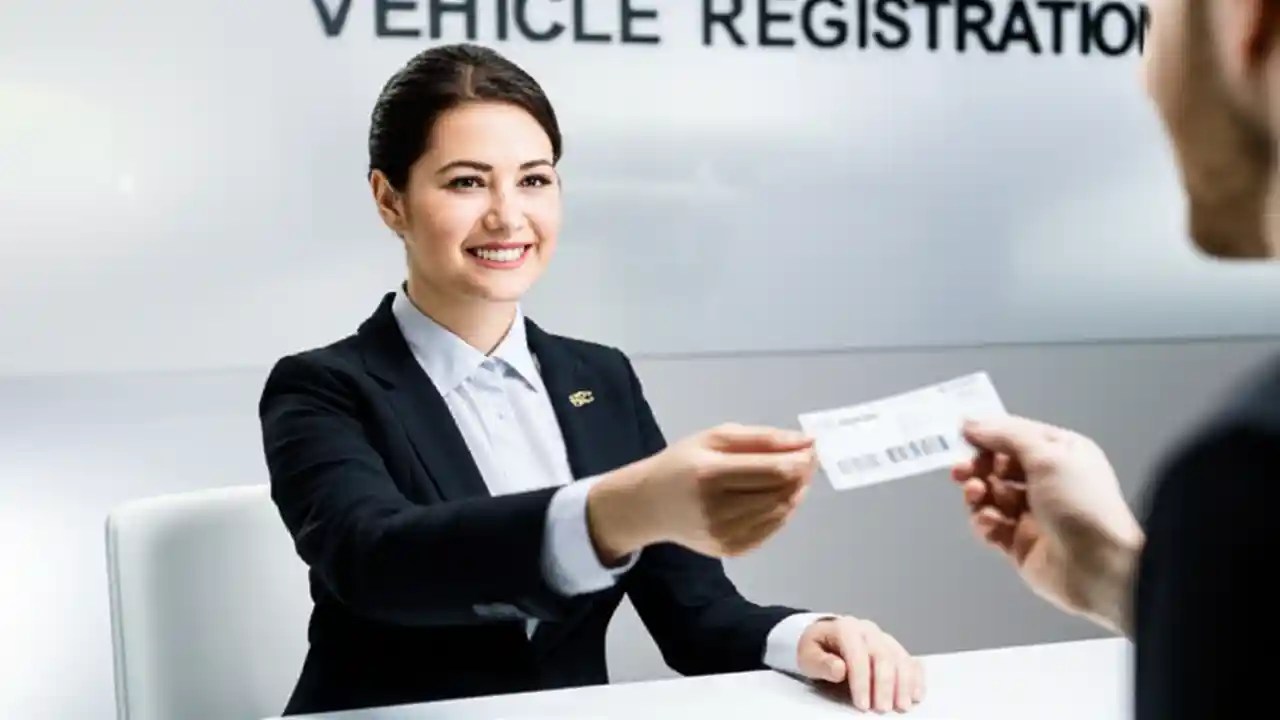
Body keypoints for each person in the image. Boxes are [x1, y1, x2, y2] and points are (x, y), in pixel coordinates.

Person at [258, 43, 923, 716]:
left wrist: (807, 636)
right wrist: (616, 510)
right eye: (466, 181)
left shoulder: (599, 377)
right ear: (389, 200)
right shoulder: (321, 388)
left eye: (534, 179)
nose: (508, 216)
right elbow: (379, 563)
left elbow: (695, 615)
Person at [949, 1, 1276, 718]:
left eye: (1154, 23)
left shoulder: (1249, 473)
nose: (1144, 81)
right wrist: (1129, 580)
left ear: (1243, 23)